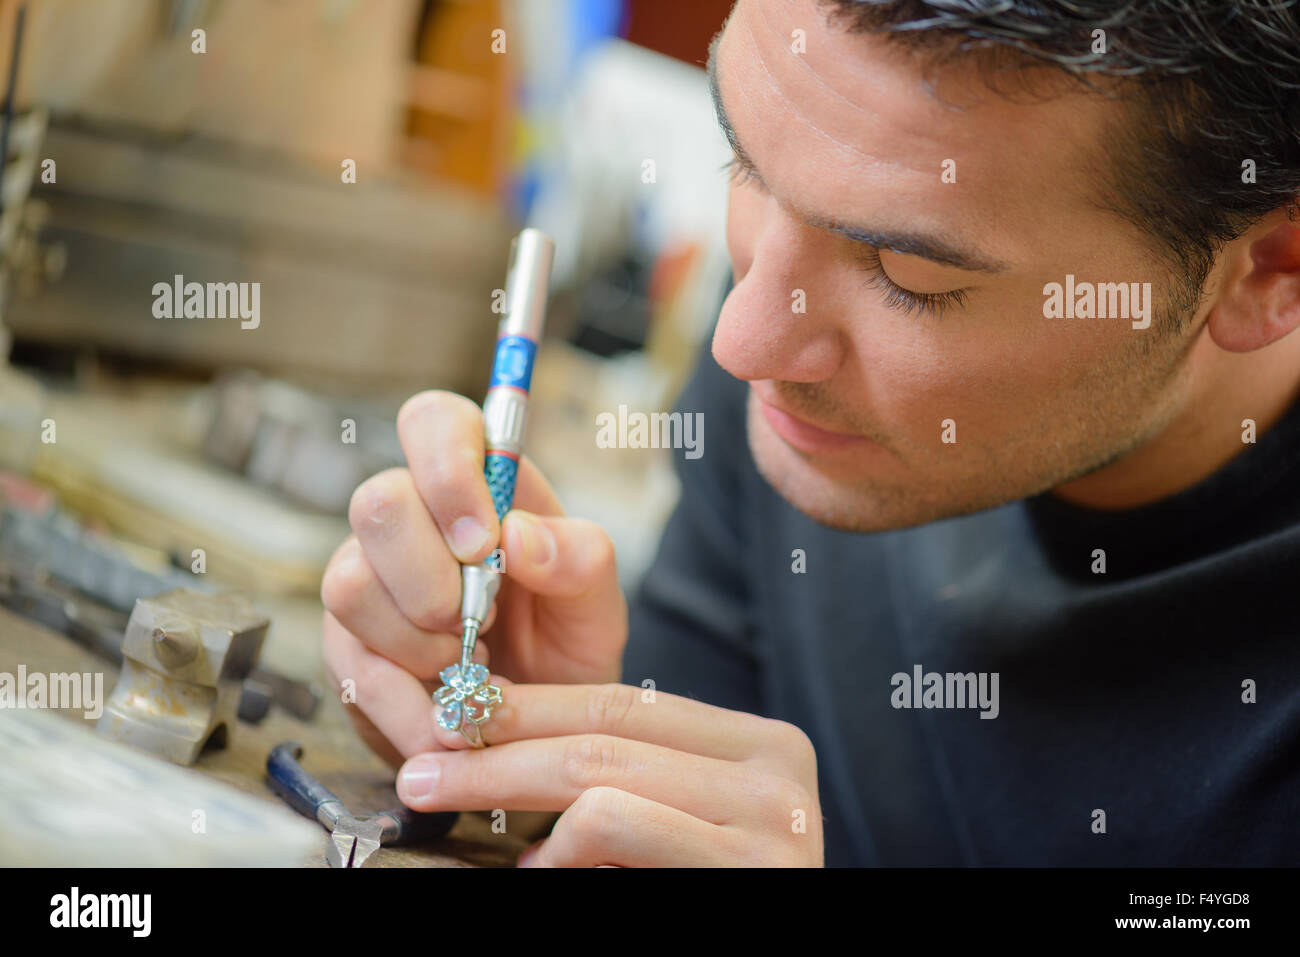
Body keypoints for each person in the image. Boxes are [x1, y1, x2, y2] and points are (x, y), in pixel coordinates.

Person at [320, 0, 1300, 866]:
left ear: (1269, 269)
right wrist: (533, 779)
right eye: (743, 159)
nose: (744, 341)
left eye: (908, 278)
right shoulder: (798, 328)